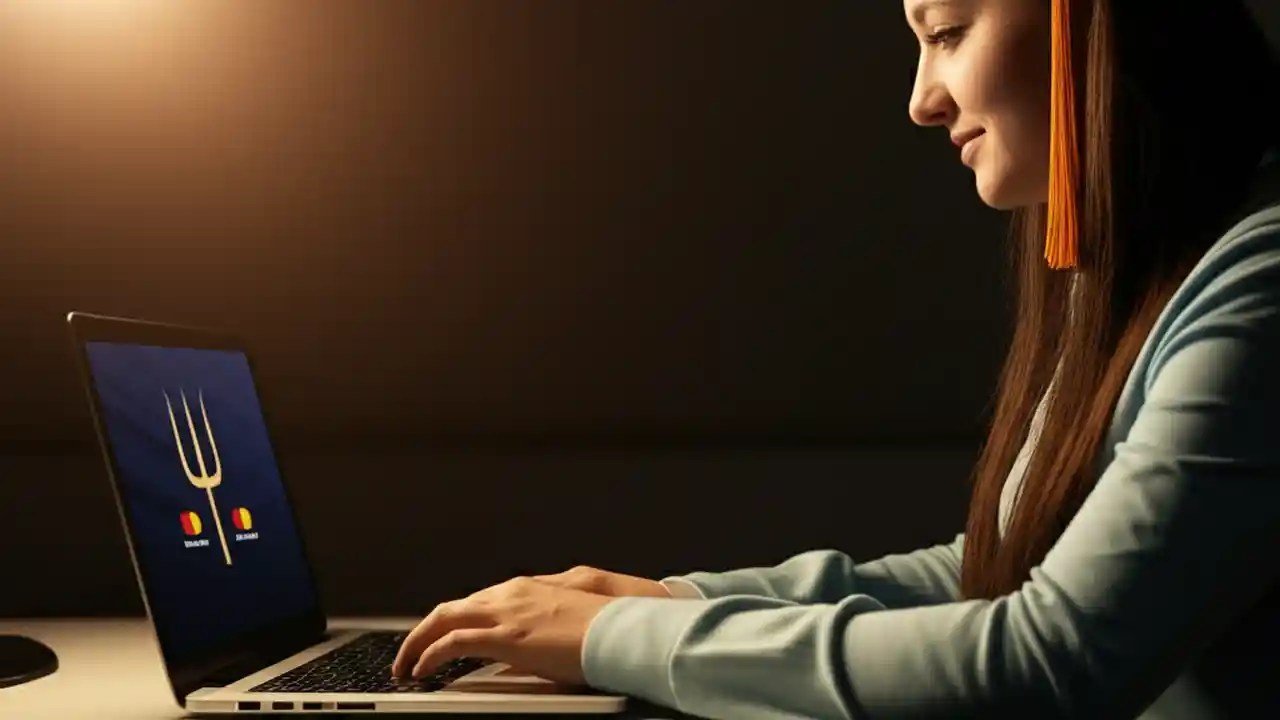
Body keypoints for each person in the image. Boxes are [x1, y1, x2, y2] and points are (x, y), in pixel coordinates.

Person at [391, 1, 1280, 717]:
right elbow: (996, 571)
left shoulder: (1261, 285)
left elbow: (1050, 659)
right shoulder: (1145, 276)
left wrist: (611, 639)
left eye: (947, 32)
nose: (922, 100)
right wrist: (675, 603)